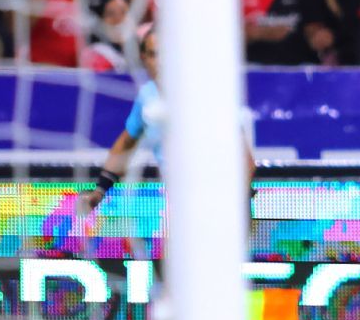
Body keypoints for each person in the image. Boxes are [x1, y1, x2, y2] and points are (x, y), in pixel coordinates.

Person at [80, 29, 256, 213]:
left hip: (217, 200)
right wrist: (100, 190)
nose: (161, 62)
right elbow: (125, 144)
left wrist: (235, 210)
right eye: (154, 54)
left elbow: (245, 160)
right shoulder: (147, 96)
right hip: (179, 204)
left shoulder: (209, 92)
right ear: (144, 58)